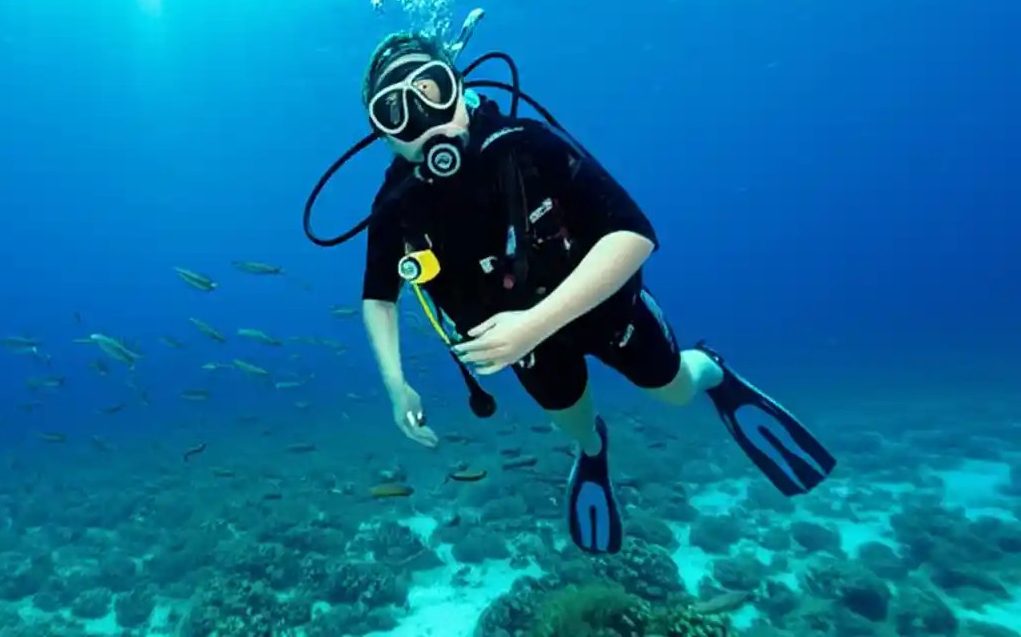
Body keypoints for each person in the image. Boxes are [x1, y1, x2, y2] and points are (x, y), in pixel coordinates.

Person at [350, 28, 836, 555]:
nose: (425, 123)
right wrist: (397, 384)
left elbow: (634, 233)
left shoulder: (527, 146)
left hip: (602, 310)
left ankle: (711, 371)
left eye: (433, 91)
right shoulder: (397, 204)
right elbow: (379, 295)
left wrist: (534, 322)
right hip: (528, 348)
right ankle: (593, 450)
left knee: (672, 391)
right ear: (383, 135)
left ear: (461, 87)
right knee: (576, 426)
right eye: (396, 112)